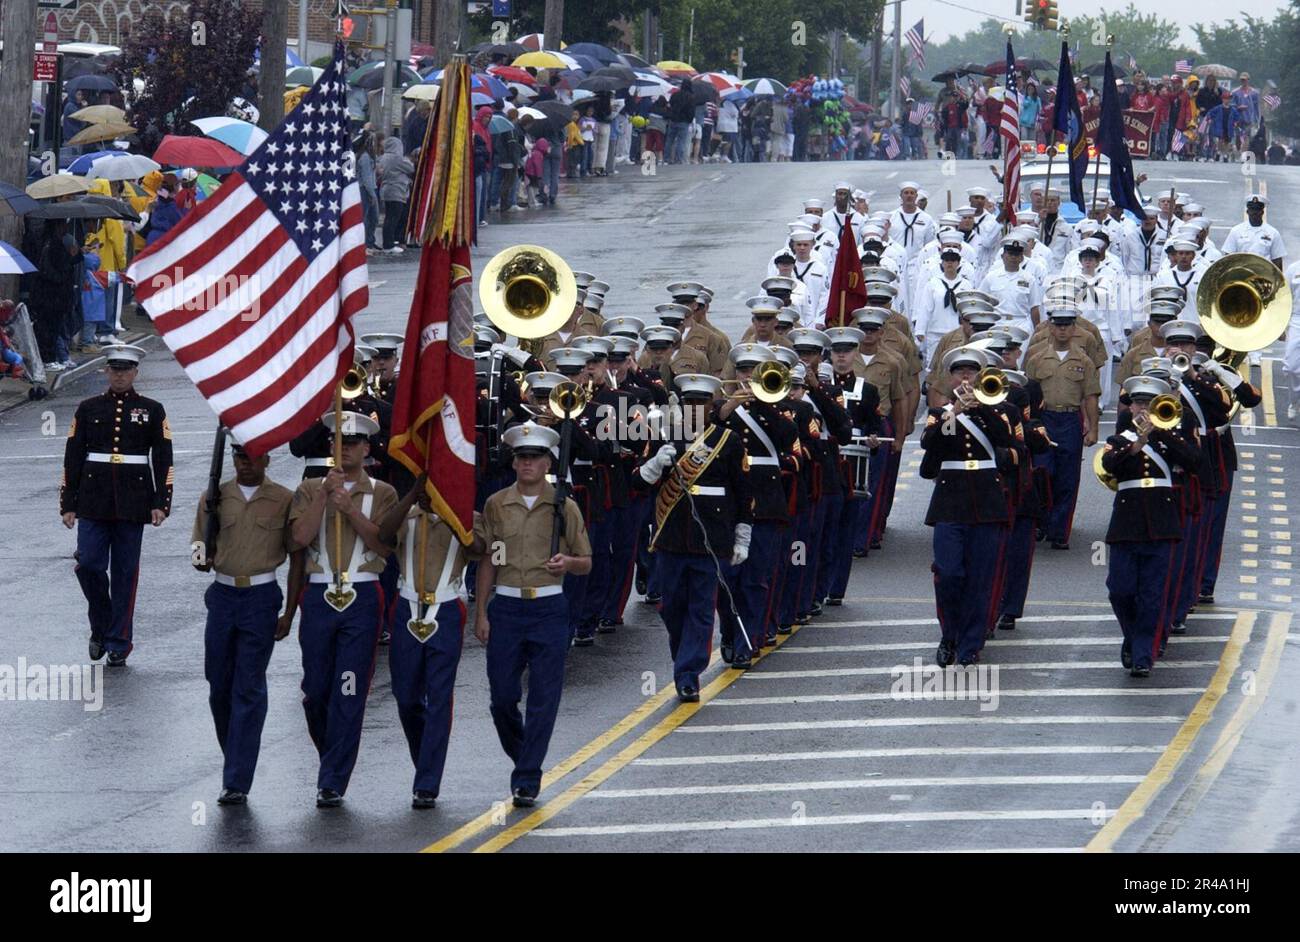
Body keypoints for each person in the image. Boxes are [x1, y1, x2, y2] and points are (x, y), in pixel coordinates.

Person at [473, 422, 591, 806]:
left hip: (548, 606)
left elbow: (586, 561)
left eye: (535, 457)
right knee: (502, 698)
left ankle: (527, 776)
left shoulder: (563, 505)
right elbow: (491, 559)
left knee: (544, 697)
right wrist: (482, 613)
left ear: (547, 462)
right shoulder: (496, 504)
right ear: (514, 462)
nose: (528, 463)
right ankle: (526, 756)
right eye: (522, 457)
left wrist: (567, 562)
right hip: (506, 606)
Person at [288, 410, 398, 808]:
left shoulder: (382, 493)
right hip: (318, 596)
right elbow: (298, 540)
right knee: (316, 691)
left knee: (349, 689)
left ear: (366, 449)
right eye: (339, 442)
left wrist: (350, 509)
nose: (346, 449)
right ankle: (331, 757)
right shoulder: (308, 489)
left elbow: (385, 546)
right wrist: (323, 495)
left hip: (362, 596)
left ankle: (333, 779)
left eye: (353, 443)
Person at [192, 440, 305, 806]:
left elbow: (296, 557)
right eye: (240, 456)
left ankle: (237, 778)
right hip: (223, 597)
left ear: (267, 459)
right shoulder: (215, 496)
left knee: (248, 687)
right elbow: (197, 547)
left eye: (253, 457)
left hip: (260, 597)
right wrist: (202, 556)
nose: (246, 463)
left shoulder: (283, 498)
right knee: (218, 686)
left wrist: (289, 611)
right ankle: (235, 757)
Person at [60, 344, 174, 667]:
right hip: (93, 501)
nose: (120, 375)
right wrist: (68, 502)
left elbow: (164, 458)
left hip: (133, 502)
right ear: (106, 372)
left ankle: (119, 641)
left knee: (125, 574)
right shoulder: (88, 408)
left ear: (136, 373)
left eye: (126, 370)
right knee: (89, 564)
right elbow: (72, 457)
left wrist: (160, 502)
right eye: (115, 369)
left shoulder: (152, 410)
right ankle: (102, 623)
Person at [638, 374, 751, 699]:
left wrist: (742, 535)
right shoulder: (666, 438)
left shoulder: (727, 441)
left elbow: (743, 493)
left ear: (710, 405)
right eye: (689, 404)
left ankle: (688, 674)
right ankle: (683, 658)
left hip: (711, 540)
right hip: (672, 539)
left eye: (701, 404)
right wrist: (655, 465)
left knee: (701, 610)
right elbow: (638, 483)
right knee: (673, 609)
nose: (695, 410)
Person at [376, 473, 473, 809]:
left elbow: (477, 548)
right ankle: (426, 761)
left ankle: (427, 783)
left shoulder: (464, 518)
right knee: (406, 698)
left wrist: (448, 510)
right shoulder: (407, 518)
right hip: (406, 607)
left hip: (445, 609)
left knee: (439, 696)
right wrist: (411, 496)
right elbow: (383, 535)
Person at [919, 346, 1015, 666]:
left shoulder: (999, 409)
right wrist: (955, 411)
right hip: (950, 501)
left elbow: (1006, 440)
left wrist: (982, 407)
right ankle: (949, 634)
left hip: (987, 501)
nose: (965, 376)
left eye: (971, 372)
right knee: (948, 573)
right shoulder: (939, 414)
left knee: (980, 577)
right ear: (950, 377)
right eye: (960, 371)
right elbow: (931, 443)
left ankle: (970, 644)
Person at [1100, 375, 1202, 677]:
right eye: (1137, 403)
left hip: (1161, 522)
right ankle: (1131, 637)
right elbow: (1109, 466)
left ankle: (1143, 653)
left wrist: (1160, 433)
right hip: (1127, 524)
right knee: (1119, 590)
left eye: (1147, 403)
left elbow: (1194, 461)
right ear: (1130, 408)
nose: (1142, 409)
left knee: (1153, 593)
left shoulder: (1171, 437)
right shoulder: (1119, 440)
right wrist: (1136, 444)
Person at [1024, 309, 1100, 550]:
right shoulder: (1036, 357)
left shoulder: (1083, 361)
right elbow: (1027, 393)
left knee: (1068, 478)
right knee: (1042, 472)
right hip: (1044, 419)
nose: (1063, 329)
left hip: (1069, 419)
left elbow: (1090, 396)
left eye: (1067, 325)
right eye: (1058, 325)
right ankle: (1042, 521)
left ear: (1074, 327)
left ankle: (1059, 531)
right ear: (1050, 327)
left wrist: (1093, 429)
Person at [1221, 195, 1286, 269]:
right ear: (1247, 212)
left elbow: (1277, 260)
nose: (1254, 212)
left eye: (1257, 210)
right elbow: (1228, 256)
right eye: (1252, 209)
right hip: (1242, 274)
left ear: (1262, 212)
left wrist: (1278, 279)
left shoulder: (1273, 233)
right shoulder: (1236, 231)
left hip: (1263, 275)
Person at [377, 136, 415, 253]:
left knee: (389, 217)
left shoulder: (382, 158)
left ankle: (388, 242)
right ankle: (388, 245)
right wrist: (409, 160)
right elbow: (410, 168)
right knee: (394, 218)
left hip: (386, 190)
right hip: (397, 191)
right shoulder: (397, 158)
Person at [145, 173, 183, 247]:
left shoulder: (156, 200)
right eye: (178, 185)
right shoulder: (172, 207)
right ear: (175, 187)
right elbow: (181, 223)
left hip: (151, 238)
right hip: (165, 240)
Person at [471, 109, 493, 226]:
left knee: (483, 192)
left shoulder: (486, 129)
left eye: (489, 117)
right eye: (486, 116)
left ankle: (480, 217)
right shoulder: (476, 127)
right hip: (479, 164)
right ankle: (478, 218)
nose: (487, 119)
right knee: (480, 192)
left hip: (484, 163)